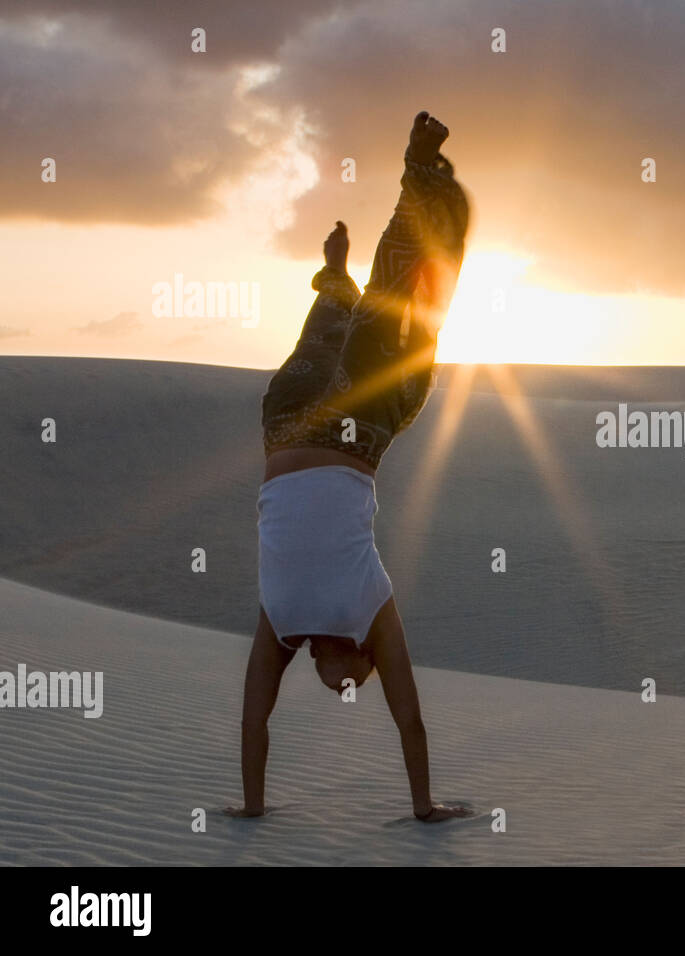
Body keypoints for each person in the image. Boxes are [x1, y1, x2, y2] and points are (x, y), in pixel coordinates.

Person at [227, 112, 471, 823]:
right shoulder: (364, 608)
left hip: (301, 426)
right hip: (309, 425)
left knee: (387, 344)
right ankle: (386, 215)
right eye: (363, 682)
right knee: (380, 341)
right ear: (365, 655)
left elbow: (252, 726)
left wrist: (251, 809)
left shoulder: (286, 625)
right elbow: (412, 725)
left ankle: (359, 254)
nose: (352, 687)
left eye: (347, 684)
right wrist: (423, 805)